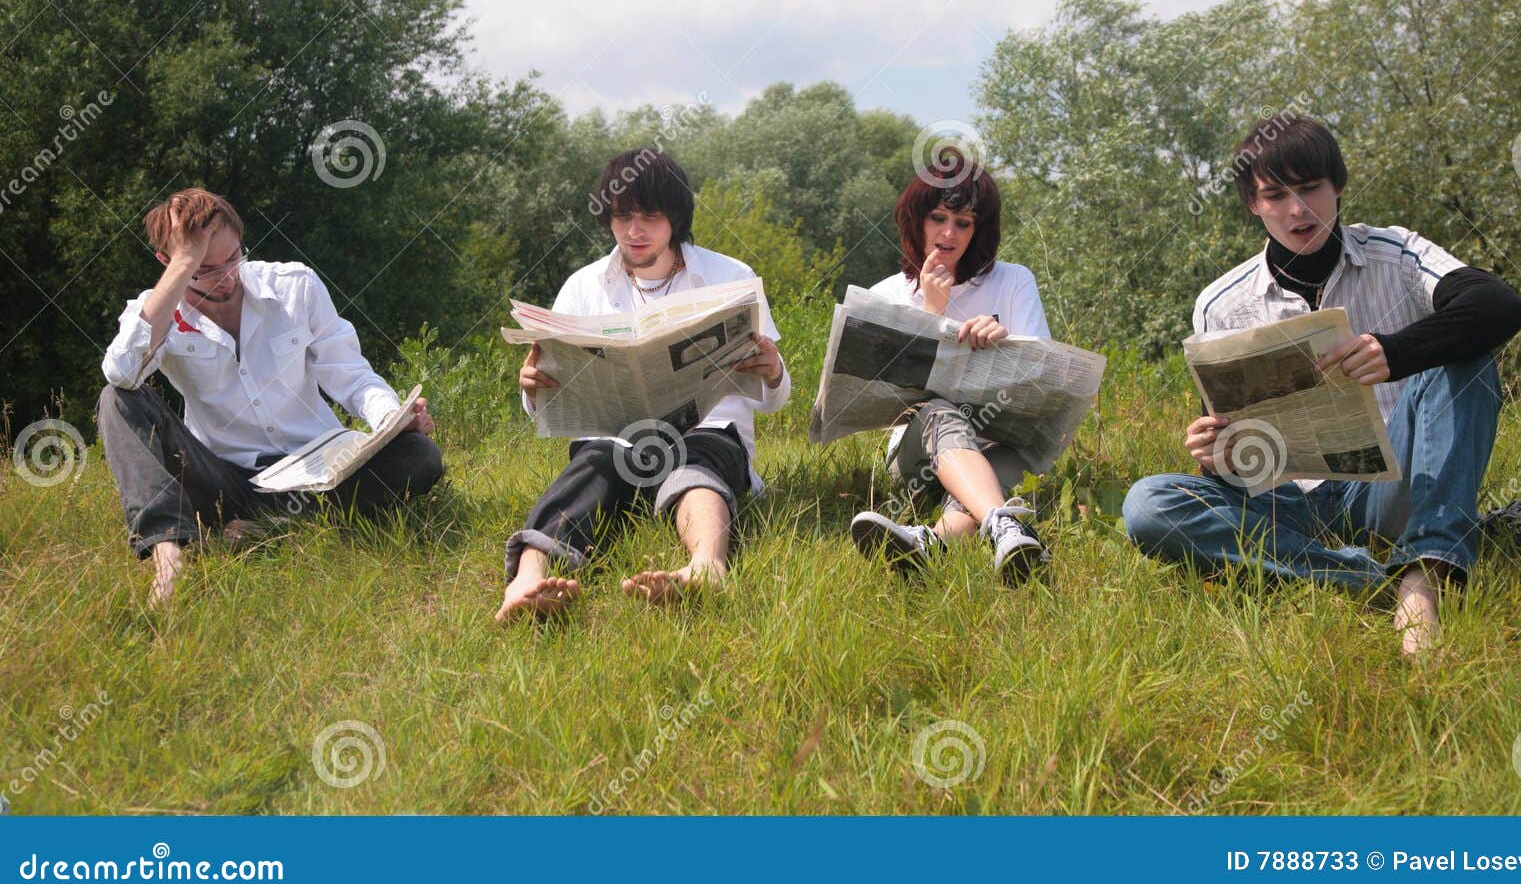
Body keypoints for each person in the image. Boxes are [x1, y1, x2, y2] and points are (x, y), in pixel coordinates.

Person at [1120, 115, 1521, 656]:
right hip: (1287, 502)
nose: (1297, 210)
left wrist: (1396, 351)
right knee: (1148, 504)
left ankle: (1426, 574)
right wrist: (1216, 456)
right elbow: (1234, 458)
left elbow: (1501, 305)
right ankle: (1369, 577)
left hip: (1391, 482)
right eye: (1275, 195)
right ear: (1253, 205)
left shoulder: (1396, 253)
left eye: (1311, 188)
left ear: (1338, 187)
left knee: (1466, 355)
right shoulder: (1220, 304)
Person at [100, 189, 442, 607]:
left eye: (233, 259)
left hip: (316, 472)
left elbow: (351, 375)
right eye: (204, 270)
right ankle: (170, 552)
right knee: (116, 400)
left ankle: (271, 527)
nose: (226, 278)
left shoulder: (294, 286)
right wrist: (183, 268)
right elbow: (121, 374)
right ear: (167, 262)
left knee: (419, 455)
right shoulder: (154, 312)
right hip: (223, 480)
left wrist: (393, 418)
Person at [495, 149, 789, 621]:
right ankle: (528, 578)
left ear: (675, 216)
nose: (634, 231)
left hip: (708, 437)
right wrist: (533, 389)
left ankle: (707, 567)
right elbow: (547, 405)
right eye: (622, 217)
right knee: (592, 462)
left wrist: (773, 372)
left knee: (695, 455)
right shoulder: (583, 286)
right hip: (615, 443)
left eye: (650, 217)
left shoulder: (730, 277)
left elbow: (774, 399)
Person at [847, 153, 1054, 585]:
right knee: (940, 411)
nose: (949, 233)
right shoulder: (886, 295)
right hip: (917, 457)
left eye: (964, 223)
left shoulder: (1013, 281)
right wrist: (931, 312)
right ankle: (1005, 524)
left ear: (979, 230)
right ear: (916, 221)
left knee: (1000, 465)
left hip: (999, 440)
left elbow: (1044, 378)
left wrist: (1005, 345)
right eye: (938, 218)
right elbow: (881, 398)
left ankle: (933, 545)